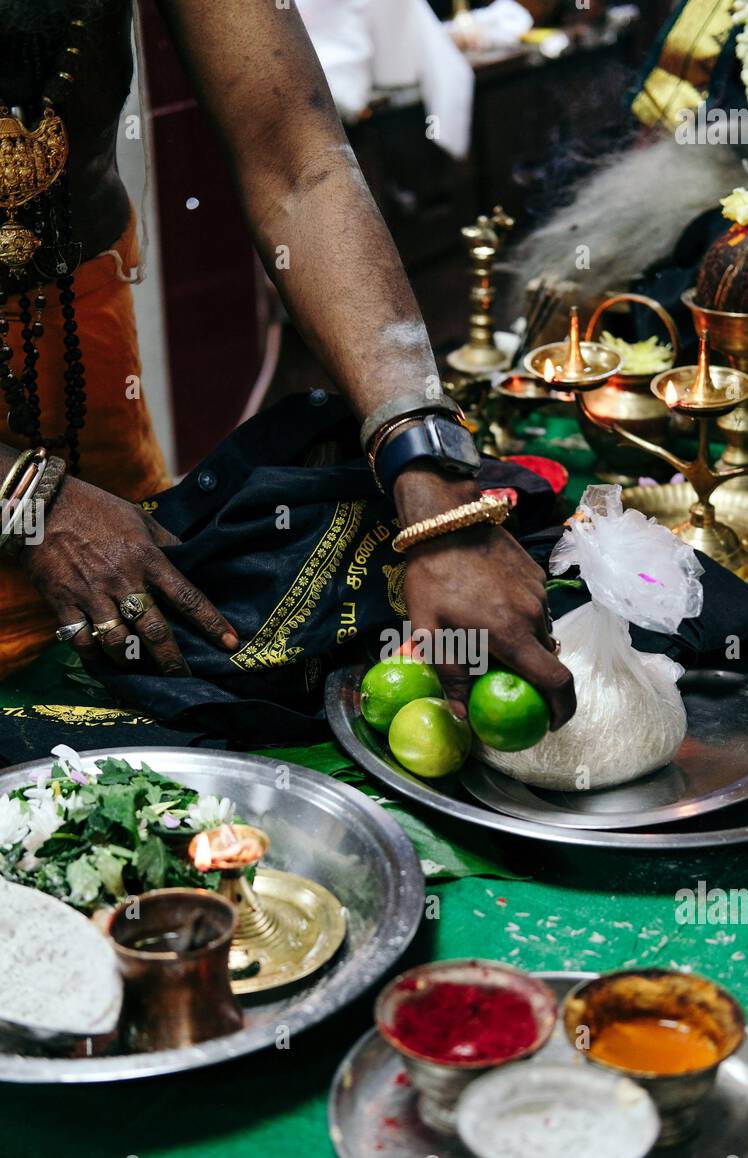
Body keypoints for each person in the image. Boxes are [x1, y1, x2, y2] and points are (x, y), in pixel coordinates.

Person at [0, 0, 575, 733]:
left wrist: (435, 485)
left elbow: (298, 163)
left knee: (138, 680)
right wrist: (29, 497)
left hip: (79, 342)